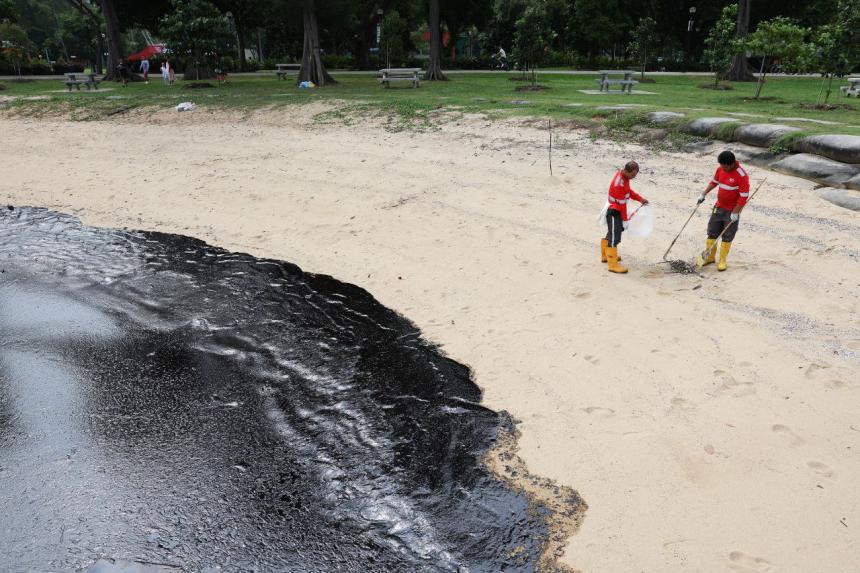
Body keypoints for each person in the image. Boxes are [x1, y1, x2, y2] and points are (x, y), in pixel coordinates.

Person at [697, 150, 750, 271]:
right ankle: (710, 257)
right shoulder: (720, 169)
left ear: (731, 164)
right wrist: (703, 194)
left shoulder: (742, 175)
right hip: (719, 207)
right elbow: (714, 182)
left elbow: (743, 196)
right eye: (721, 166)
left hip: (732, 211)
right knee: (712, 232)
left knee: (727, 235)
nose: (723, 169)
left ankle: (722, 260)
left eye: (725, 167)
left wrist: (735, 212)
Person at [601, 161, 649, 274]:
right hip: (614, 211)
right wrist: (625, 221)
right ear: (627, 171)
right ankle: (612, 264)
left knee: (612, 232)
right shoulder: (619, 184)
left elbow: (628, 192)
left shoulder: (624, 177)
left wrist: (640, 199)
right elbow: (622, 205)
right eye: (633, 175)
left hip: (617, 209)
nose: (633, 177)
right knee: (615, 237)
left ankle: (606, 255)